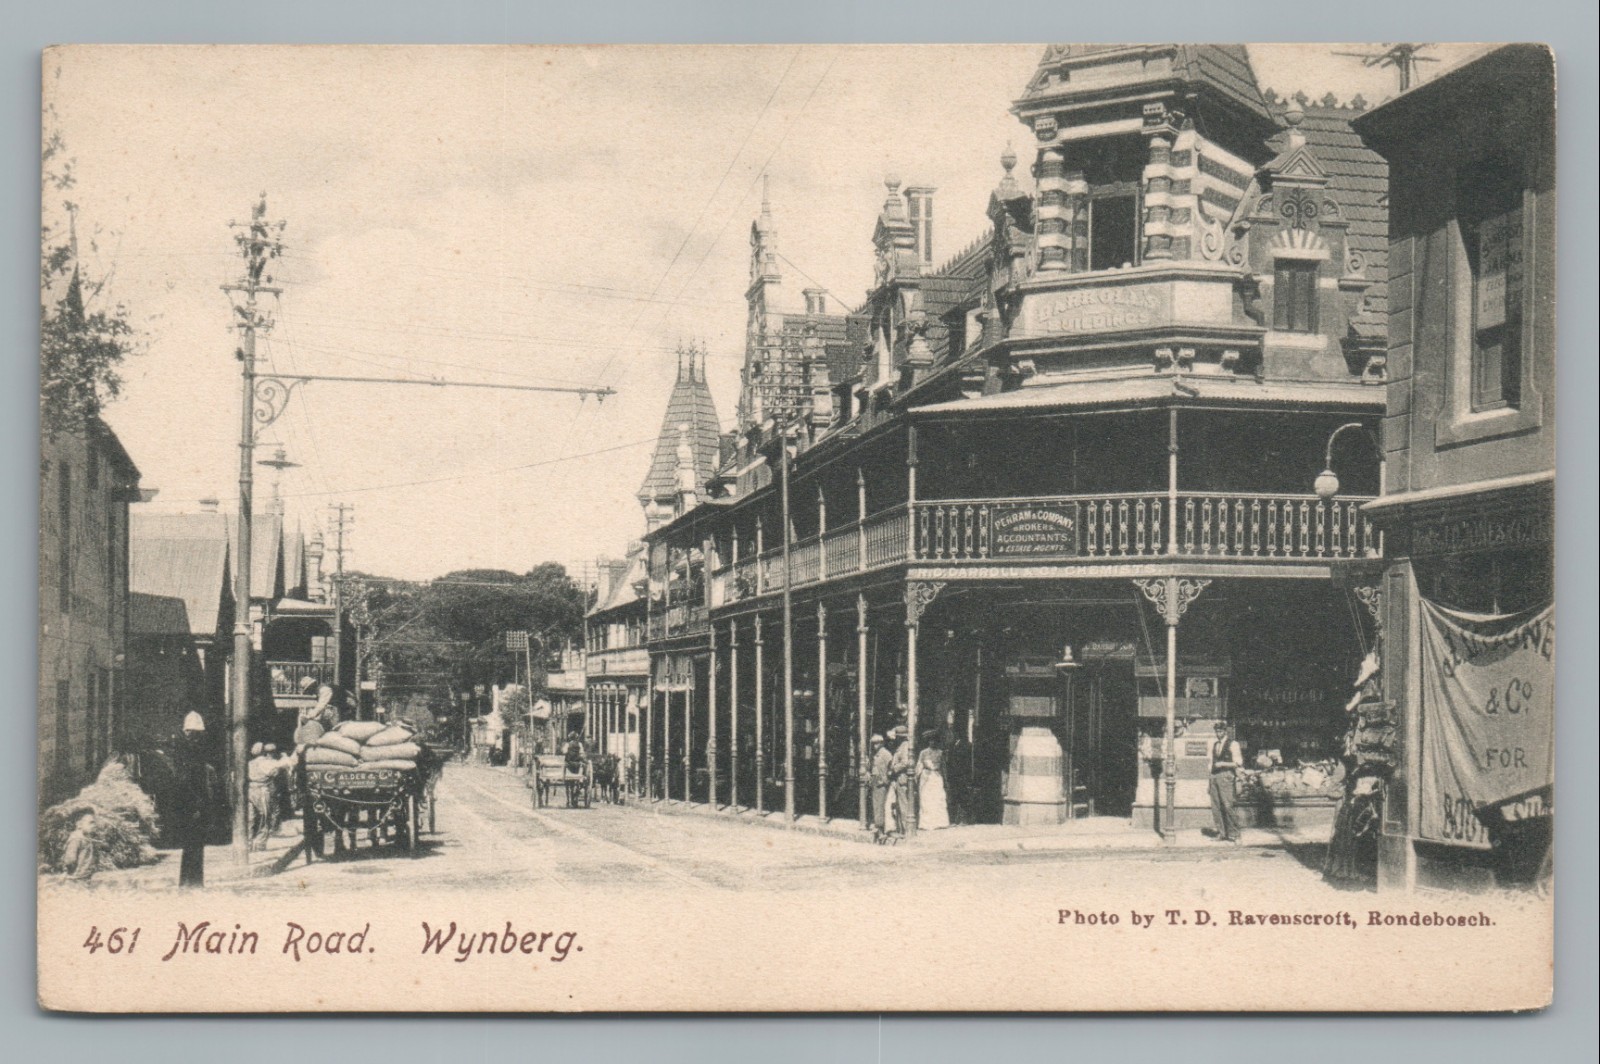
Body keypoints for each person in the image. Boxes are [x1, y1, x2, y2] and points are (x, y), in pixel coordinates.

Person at [173, 712, 217, 888]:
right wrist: (196, 804)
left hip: (192, 803)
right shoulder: (187, 752)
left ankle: (189, 881)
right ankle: (193, 882)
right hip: (191, 804)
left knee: (193, 845)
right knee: (193, 844)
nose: (198, 737)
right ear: (189, 732)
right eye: (195, 733)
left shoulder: (189, 750)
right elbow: (187, 780)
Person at [1208, 721, 1243, 844]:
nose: (1218, 734)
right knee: (1216, 806)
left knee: (1228, 805)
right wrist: (1209, 780)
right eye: (1217, 731)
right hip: (1214, 776)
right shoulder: (1215, 745)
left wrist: (1223, 764)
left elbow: (1238, 762)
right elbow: (1211, 763)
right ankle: (1221, 832)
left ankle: (1235, 834)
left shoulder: (1233, 744)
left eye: (1221, 731)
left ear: (1225, 731)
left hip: (1226, 775)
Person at [916, 734, 950, 830]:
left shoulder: (940, 753)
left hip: (937, 776)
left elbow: (943, 767)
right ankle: (926, 824)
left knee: (938, 798)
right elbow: (919, 765)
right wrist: (916, 777)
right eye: (930, 740)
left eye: (934, 740)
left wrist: (945, 780)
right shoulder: (923, 753)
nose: (932, 742)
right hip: (926, 776)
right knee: (926, 799)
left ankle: (940, 822)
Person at [888, 725, 915, 838]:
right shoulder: (901, 746)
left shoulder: (905, 746)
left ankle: (906, 829)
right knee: (899, 804)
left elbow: (905, 763)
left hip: (902, 777)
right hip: (899, 778)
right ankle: (901, 828)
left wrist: (893, 769)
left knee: (904, 804)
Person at [60, 811, 100, 880]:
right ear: (79, 825)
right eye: (90, 823)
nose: (94, 825)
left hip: (84, 878)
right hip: (75, 879)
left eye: (94, 823)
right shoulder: (76, 838)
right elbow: (70, 860)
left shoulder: (87, 838)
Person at [866, 734, 892, 841]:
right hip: (874, 781)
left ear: (882, 743)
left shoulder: (886, 754)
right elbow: (871, 767)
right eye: (874, 743)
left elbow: (891, 768)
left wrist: (885, 779)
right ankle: (877, 826)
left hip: (882, 782)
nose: (875, 745)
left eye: (877, 743)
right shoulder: (874, 754)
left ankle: (881, 829)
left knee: (880, 806)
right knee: (876, 805)